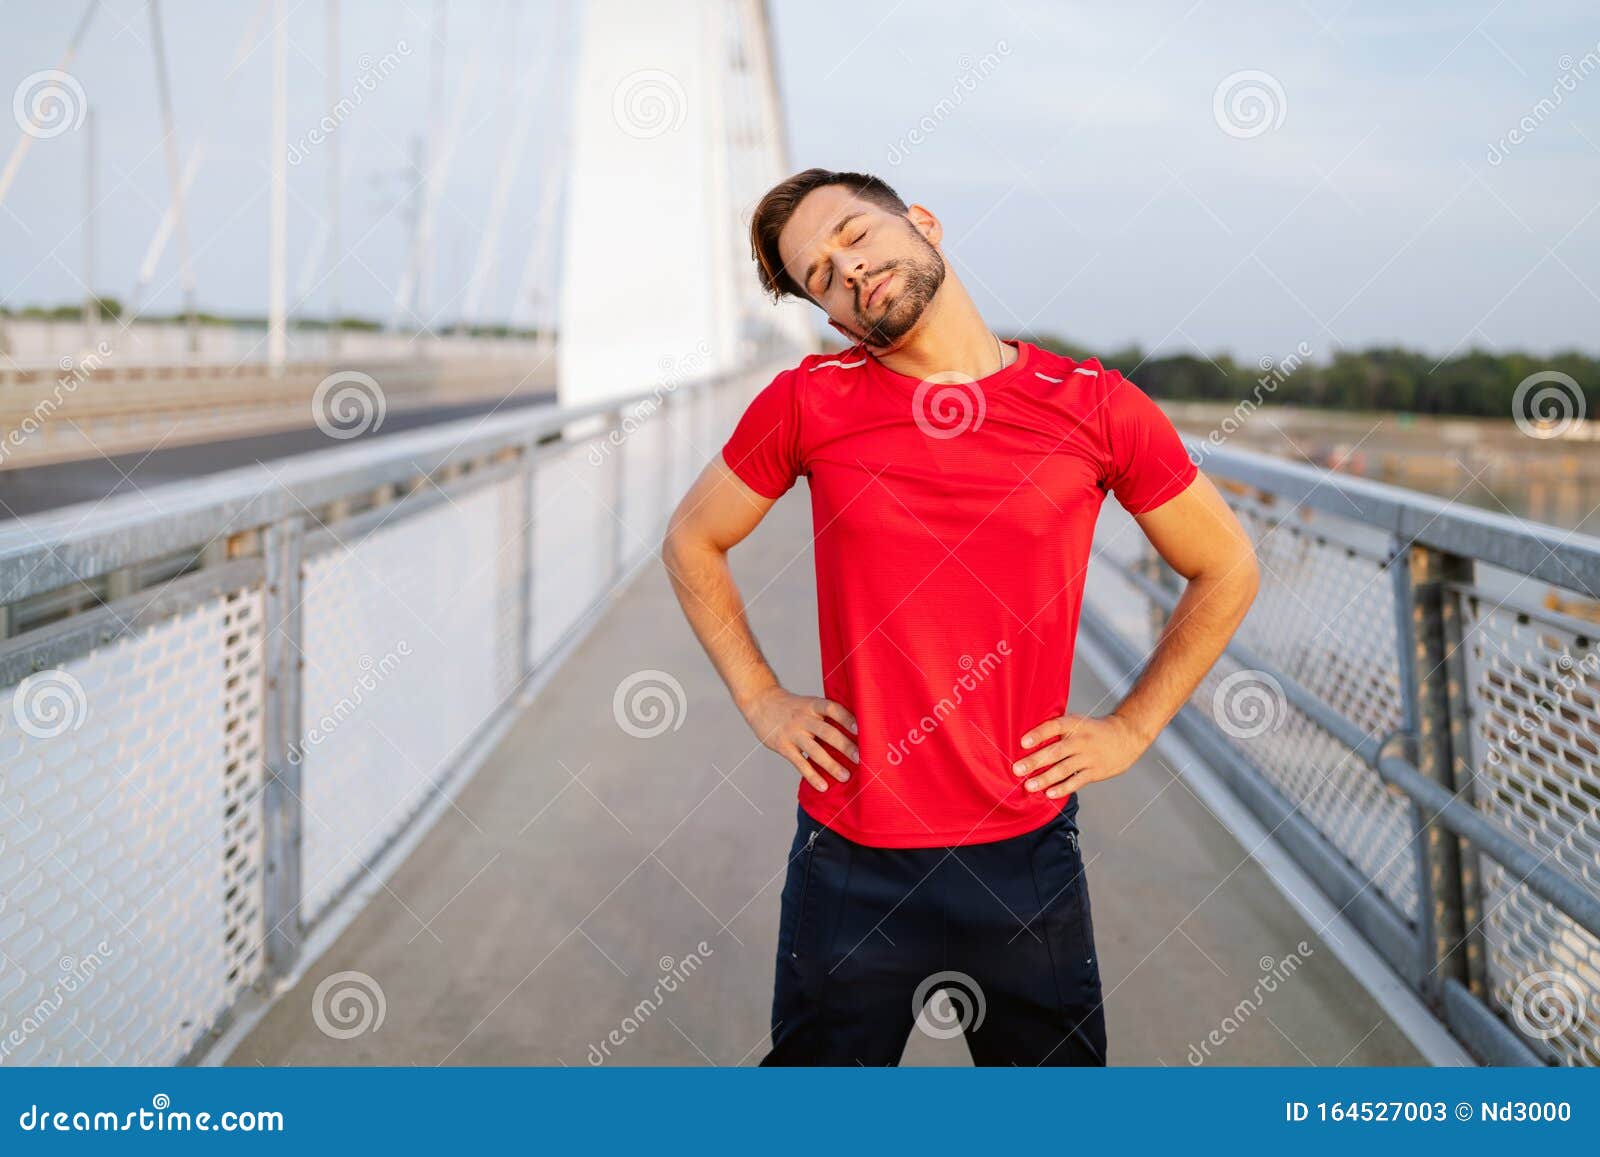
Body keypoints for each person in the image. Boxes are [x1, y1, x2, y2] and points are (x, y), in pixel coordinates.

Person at [660, 168, 1259, 1065]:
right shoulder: (808, 402)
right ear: (833, 319)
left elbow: (1227, 566)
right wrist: (760, 696)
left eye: (854, 237)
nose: (848, 271)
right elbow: (691, 541)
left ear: (923, 224)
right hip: (850, 853)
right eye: (822, 275)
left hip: (1023, 855)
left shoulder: (1092, 404)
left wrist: (1132, 728)